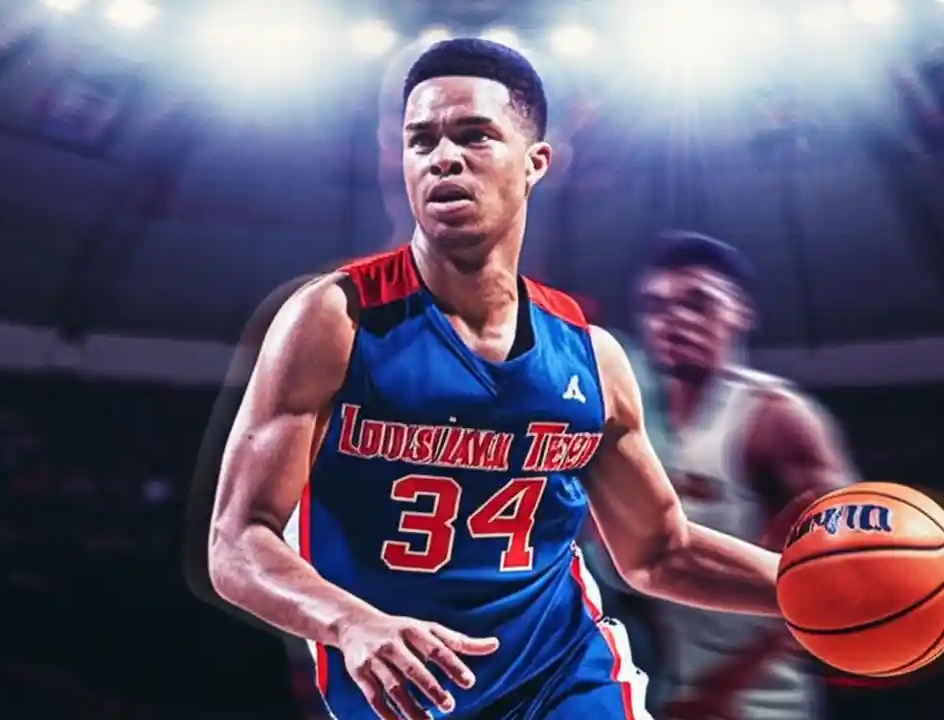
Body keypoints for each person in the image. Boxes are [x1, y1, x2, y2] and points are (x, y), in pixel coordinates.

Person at [206, 39, 791, 720]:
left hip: (566, 678)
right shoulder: (338, 319)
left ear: (536, 161)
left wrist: (814, 586)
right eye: (420, 141)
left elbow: (658, 551)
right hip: (403, 693)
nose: (443, 157)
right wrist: (349, 623)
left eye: (474, 135)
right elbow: (237, 541)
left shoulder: (591, 359)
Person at [630, 230, 860, 720]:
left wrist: (723, 690)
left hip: (757, 702)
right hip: (668, 689)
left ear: (741, 312)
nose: (674, 320)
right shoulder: (637, 419)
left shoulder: (776, 419)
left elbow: (842, 577)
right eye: (656, 306)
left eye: (698, 303)